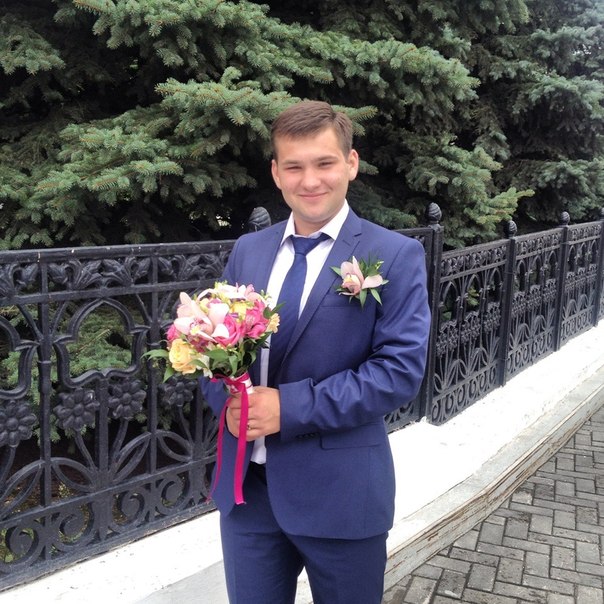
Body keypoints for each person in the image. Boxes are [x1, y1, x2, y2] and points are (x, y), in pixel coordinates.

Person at [201, 100, 431, 604]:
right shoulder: (249, 250)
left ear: (351, 163)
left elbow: (398, 372)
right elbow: (216, 346)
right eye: (294, 167)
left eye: (324, 163)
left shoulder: (395, 255)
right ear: (276, 173)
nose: (310, 181)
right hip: (247, 494)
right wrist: (227, 401)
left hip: (342, 495)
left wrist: (288, 408)